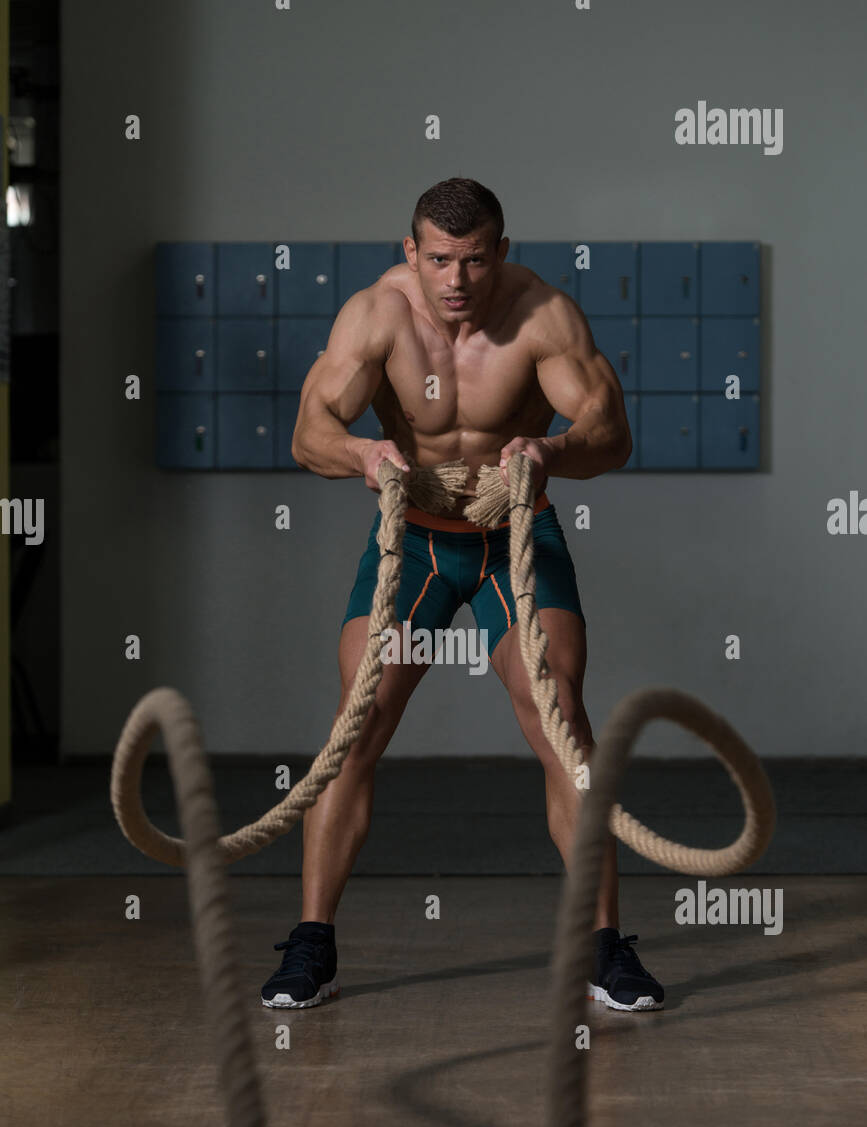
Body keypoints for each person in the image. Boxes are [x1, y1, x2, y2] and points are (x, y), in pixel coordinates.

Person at [261, 177, 664, 1013]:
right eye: (439, 258)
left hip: (514, 539)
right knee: (355, 729)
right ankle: (312, 944)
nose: (456, 279)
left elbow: (610, 435)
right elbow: (310, 433)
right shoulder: (376, 315)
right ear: (410, 252)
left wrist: (551, 451)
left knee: (561, 726)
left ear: (500, 253)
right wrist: (365, 457)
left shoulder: (542, 316)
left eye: (474, 259)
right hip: (412, 545)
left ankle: (604, 948)